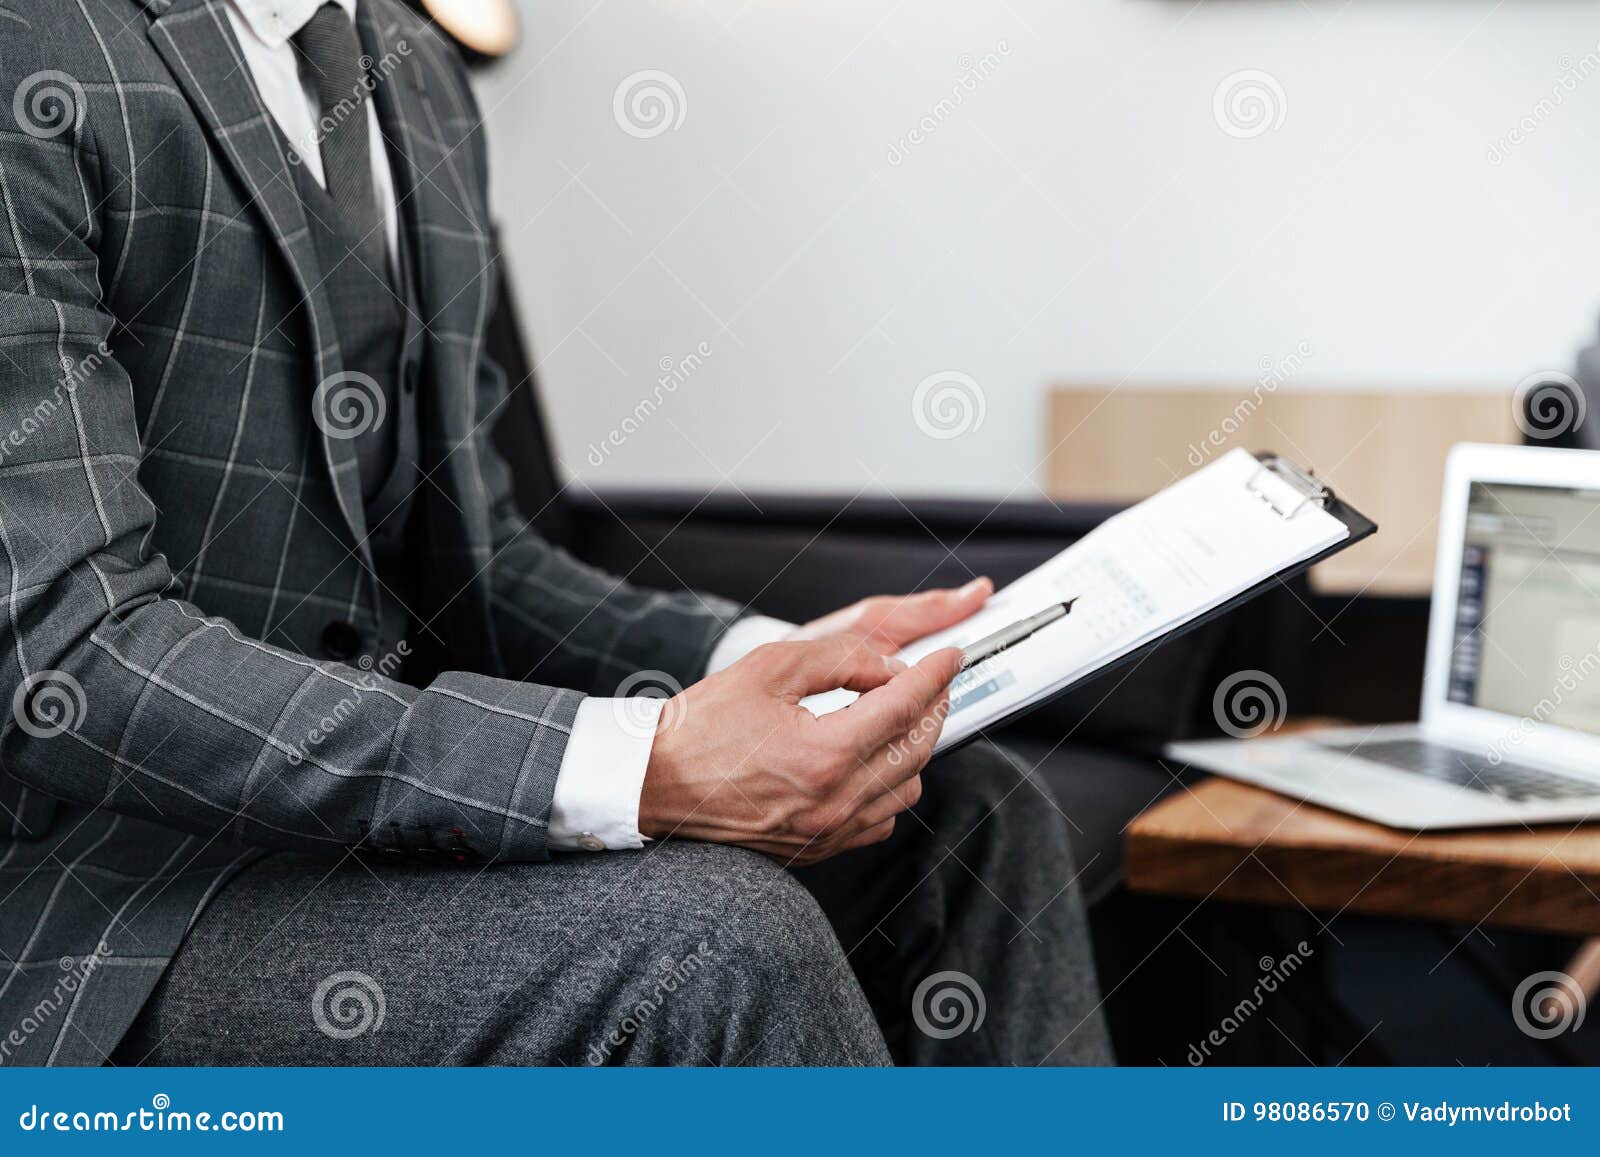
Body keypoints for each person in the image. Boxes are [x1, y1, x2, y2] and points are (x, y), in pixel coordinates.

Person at [0, 0, 1111, 1066]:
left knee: (972, 814)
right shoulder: (30, 49)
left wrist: (775, 664)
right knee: (715, 945)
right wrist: (649, 763)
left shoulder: (413, 70)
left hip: (367, 837)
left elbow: (483, 562)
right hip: (103, 902)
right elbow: (69, 651)